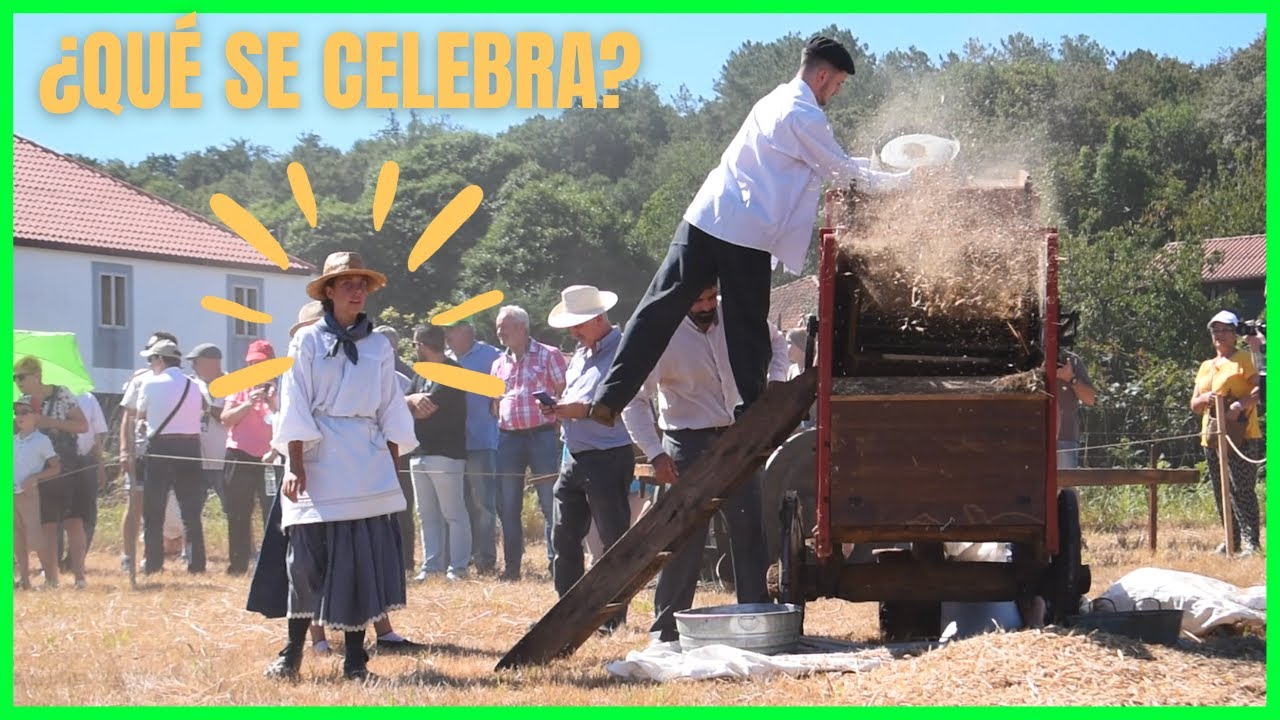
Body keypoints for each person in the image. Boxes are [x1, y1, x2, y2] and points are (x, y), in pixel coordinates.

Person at [590, 35, 920, 427]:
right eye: (838, 84)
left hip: (704, 215)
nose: (836, 92)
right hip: (745, 230)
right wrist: (910, 181)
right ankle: (752, 407)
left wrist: (874, 168)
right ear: (822, 74)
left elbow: (829, 162)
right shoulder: (805, 114)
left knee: (657, 308)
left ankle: (610, 396)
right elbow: (841, 172)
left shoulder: (773, 100)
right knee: (748, 325)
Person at [267, 251, 420, 681]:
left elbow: (391, 406)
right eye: (347, 283)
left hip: (366, 459)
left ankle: (356, 661)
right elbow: (294, 402)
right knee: (306, 562)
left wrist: (391, 464)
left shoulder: (378, 346)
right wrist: (295, 465)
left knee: (359, 561)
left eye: (362, 284)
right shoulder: (307, 341)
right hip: (318, 457)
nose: (357, 290)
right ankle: (292, 652)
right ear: (329, 291)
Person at [620, 281, 773, 644]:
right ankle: (667, 629)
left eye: (711, 298)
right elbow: (633, 399)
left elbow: (777, 343)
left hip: (738, 437)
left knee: (749, 529)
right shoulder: (661, 333)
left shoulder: (738, 317)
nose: (706, 307)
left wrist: (777, 383)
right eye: (698, 301)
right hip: (687, 443)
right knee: (682, 538)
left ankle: (755, 621)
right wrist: (655, 453)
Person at [543, 286, 637, 632]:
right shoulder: (581, 354)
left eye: (578, 325)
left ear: (598, 319)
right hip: (577, 455)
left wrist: (573, 410)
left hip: (608, 455)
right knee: (563, 537)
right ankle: (567, 614)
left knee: (613, 541)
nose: (573, 332)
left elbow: (618, 403)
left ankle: (611, 618)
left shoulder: (625, 351)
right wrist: (561, 408)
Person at [490, 305, 568, 581]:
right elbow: (495, 402)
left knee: (549, 502)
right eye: (498, 327)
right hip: (508, 438)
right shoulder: (498, 363)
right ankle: (512, 568)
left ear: (522, 327)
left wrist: (556, 411)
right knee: (508, 505)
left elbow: (565, 393)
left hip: (542, 436)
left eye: (504, 326)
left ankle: (556, 564)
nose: (499, 332)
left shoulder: (549, 355)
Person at [1191, 310, 1264, 555]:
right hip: (1212, 435)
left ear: (1235, 334)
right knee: (1220, 489)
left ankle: (1250, 541)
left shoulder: (1245, 358)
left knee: (1241, 488)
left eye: (1225, 330)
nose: (1219, 335)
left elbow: (1261, 389)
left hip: (1242, 433)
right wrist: (1204, 397)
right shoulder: (1205, 366)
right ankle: (1230, 540)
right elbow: (1194, 404)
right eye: (1215, 330)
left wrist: (1239, 405)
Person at [14, 356, 90, 588]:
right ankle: (51, 579)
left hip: (67, 466)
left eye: (21, 377)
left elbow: (82, 426)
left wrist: (50, 422)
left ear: (36, 376)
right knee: (46, 524)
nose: (17, 382)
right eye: (13, 378)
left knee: (73, 521)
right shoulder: (22, 403)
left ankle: (79, 577)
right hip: (39, 468)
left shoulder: (62, 394)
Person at [136, 340, 208, 575]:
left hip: (161, 447)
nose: (150, 364)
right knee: (191, 509)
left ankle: (154, 563)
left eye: (151, 359)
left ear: (160, 360)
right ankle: (196, 563)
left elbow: (141, 416)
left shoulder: (150, 383)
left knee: (154, 510)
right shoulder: (195, 386)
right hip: (190, 447)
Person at [406, 324, 471, 582]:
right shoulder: (420, 374)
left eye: (414, 344)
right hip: (419, 451)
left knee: (453, 513)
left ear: (421, 345)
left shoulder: (454, 372)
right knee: (426, 513)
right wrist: (411, 401)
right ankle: (431, 566)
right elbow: (405, 401)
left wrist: (413, 402)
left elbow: (428, 407)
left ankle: (458, 567)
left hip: (447, 453)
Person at [117, 330, 178, 575]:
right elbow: (127, 417)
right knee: (135, 505)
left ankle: (151, 558)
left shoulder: (179, 382)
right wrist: (124, 449)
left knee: (159, 509)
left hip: (165, 455)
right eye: (149, 352)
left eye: (156, 354)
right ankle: (128, 556)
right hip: (139, 454)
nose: (152, 359)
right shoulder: (140, 379)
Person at [445, 320, 502, 576]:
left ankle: (485, 560)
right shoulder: (445, 360)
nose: (447, 337)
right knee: (458, 504)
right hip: (452, 445)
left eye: (451, 332)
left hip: (481, 441)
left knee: (483, 504)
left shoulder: (490, 356)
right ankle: (461, 557)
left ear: (467, 331)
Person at [219, 339, 279, 575]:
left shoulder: (283, 388)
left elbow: (287, 420)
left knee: (272, 513)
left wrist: (272, 401)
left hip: (270, 458)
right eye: (252, 363)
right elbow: (226, 419)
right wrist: (248, 403)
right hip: (239, 454)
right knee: (237, 512)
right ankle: (238, 564)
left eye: (261, 363)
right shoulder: (239, 386)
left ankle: (271, 565)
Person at [372, 324, 418, 574]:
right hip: (371, 454)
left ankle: (406, 562)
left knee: (402, 507)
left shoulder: (406, 379)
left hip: (399, 454)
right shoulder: (366, 375)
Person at [56, 390, 107, 567]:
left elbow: (96, 434)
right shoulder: (50, 398)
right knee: (55, 512)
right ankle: (53, 560)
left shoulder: (88, 398)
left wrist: (100, 464)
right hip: (58, 461)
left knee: (86, 514)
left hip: (85, 460)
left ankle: (74, 560)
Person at [14, 396, 61, 589]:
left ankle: (51, 579)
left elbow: (56, 468)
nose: (20, 417)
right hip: (11, 495)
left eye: (25, 412)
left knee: (35, 538)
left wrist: (35, 478)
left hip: (29, 495)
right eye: (17, 413)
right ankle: (24, 579)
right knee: (16, 538)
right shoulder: (12, 440)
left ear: (36, 416)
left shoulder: (42, 440)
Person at [185, 343, 228, 502]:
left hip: (223, 460)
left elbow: (227, 418)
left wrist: (207, 407)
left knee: (231, 508)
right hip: (197, 460)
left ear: (210, 363)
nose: (192, 367)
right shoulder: (193, 384)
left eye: (195, 362)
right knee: (192, 509)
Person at [1055, 350, 1097, 470]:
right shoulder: (1028, 357)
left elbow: (1090, 399)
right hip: (1031, 438)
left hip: (1065, 440)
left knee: (1066, 487)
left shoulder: (1071, 360)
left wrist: (1070, 378)